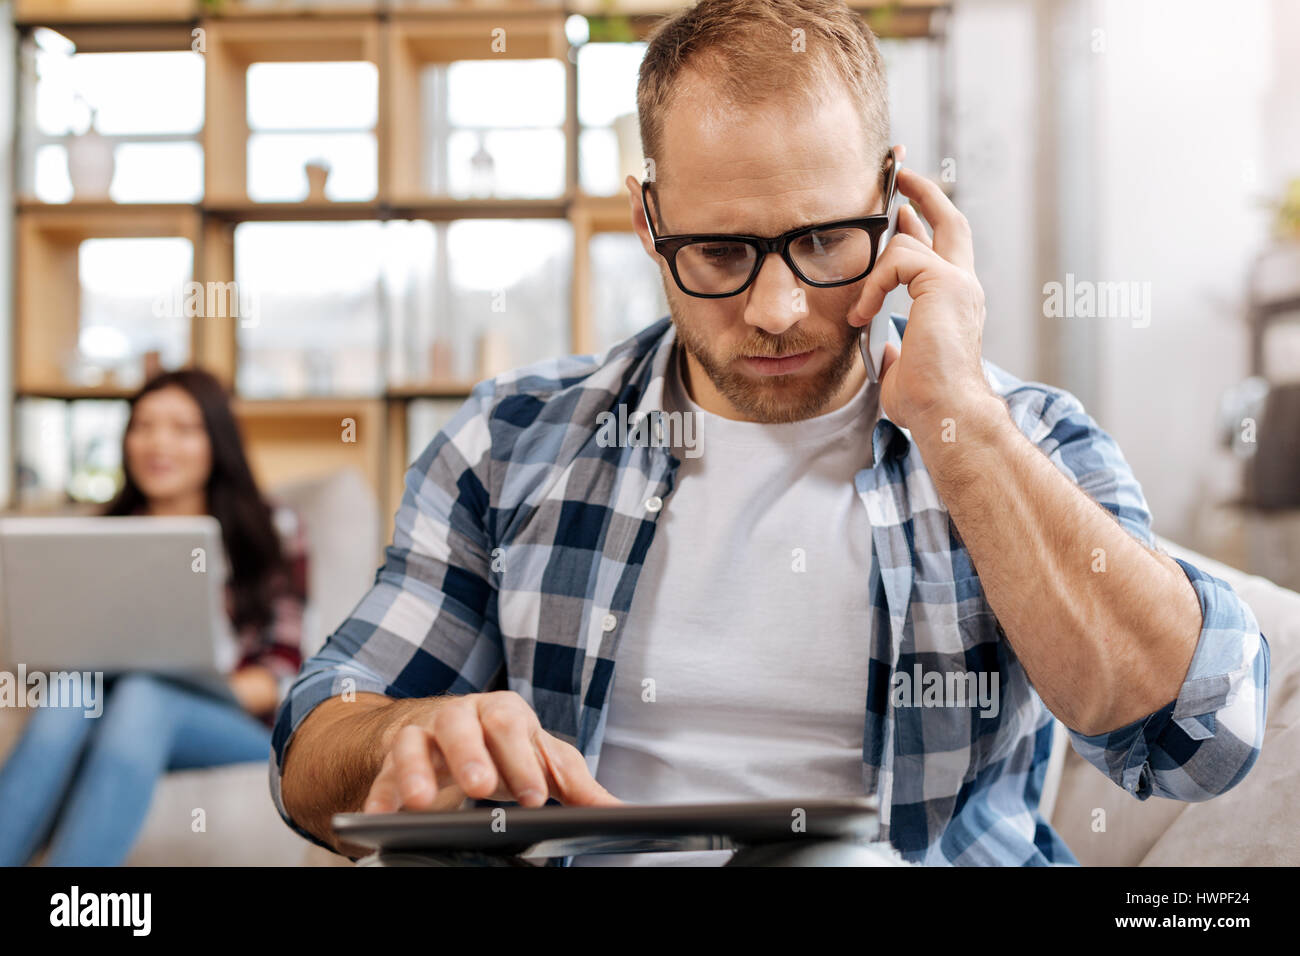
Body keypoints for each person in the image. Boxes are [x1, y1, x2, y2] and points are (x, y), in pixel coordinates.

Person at [271, 0, 1268, 867]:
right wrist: (406, 731)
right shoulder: (511, 437)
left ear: (896, 204)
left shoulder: (1025, 435)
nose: (779, 307)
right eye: (718, 251)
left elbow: (1201, 736)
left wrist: (960, 426)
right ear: (646, 218)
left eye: (824, 238)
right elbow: (311, 757)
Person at [0, 368, 307, 867]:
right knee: (73, 693)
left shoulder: (273, 528)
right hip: (106, 704)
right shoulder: (102, 534)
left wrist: (185, 678)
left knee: (144, 695)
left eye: (183, 428)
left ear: (217, 439)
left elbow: (281, 674)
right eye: (142, 426)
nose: (157, 443)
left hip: (229, 718)